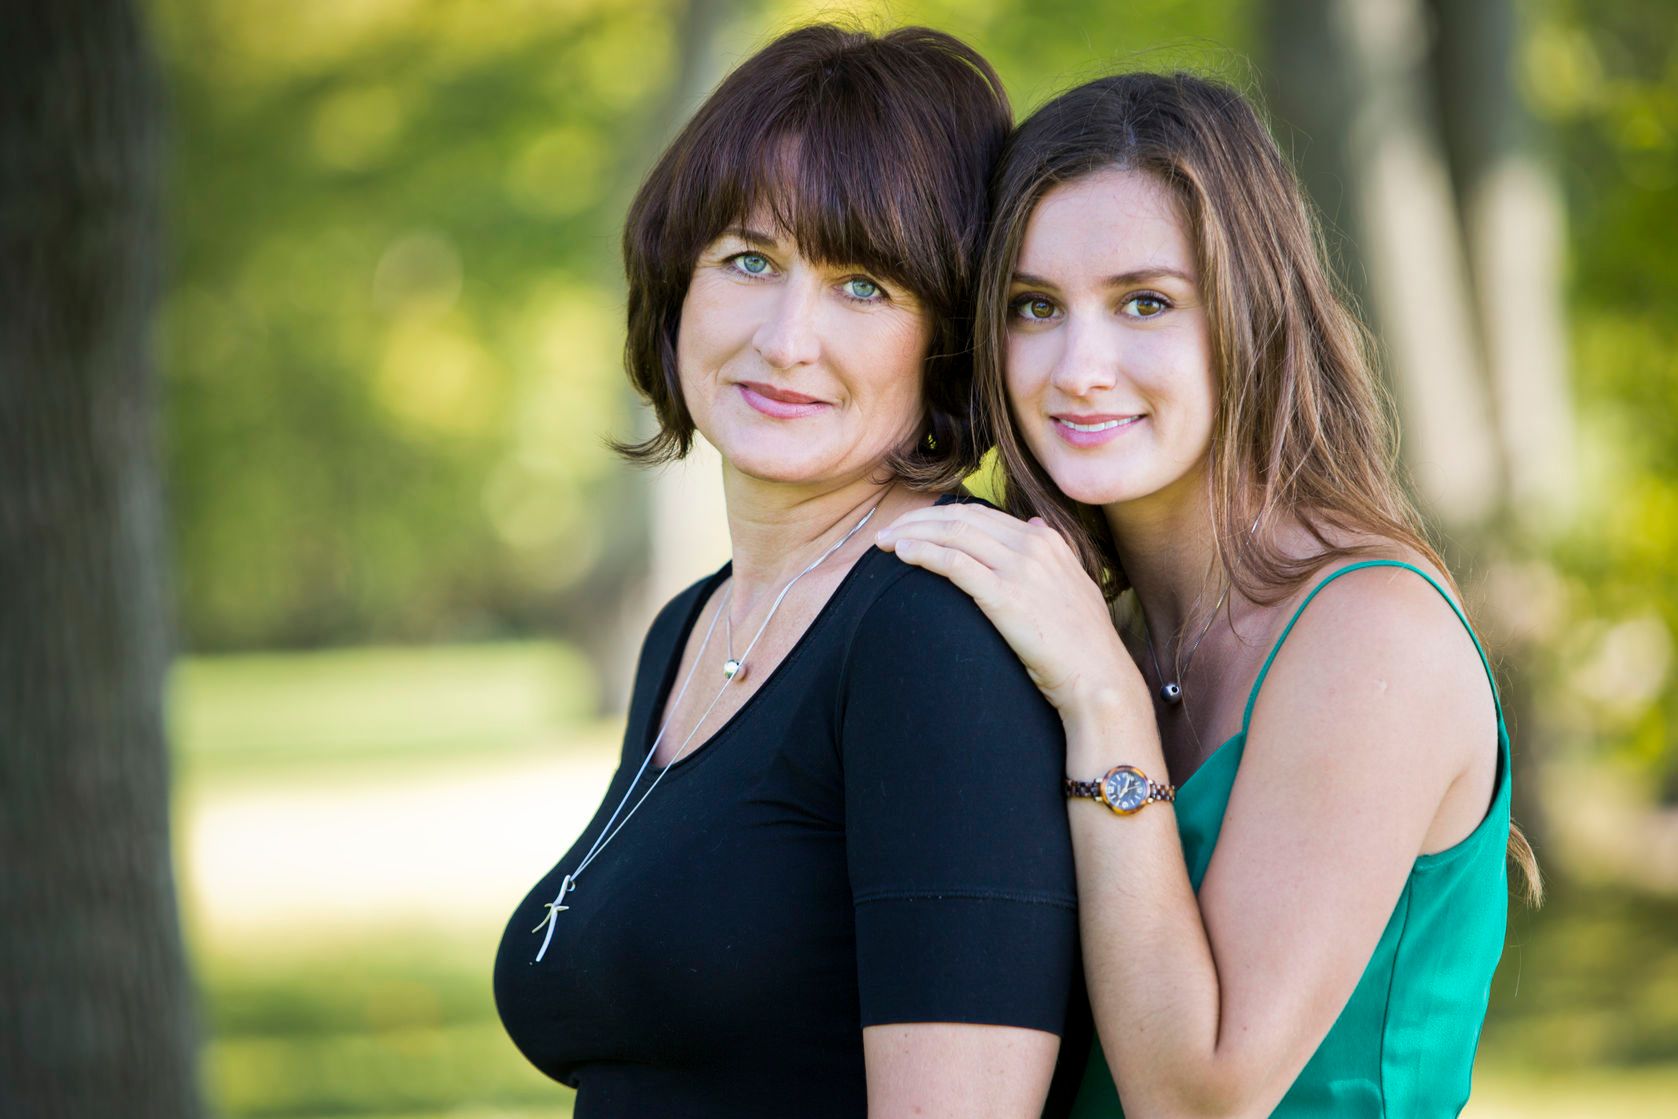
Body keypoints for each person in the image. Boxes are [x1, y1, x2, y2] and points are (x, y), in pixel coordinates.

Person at [876, 71, 1540, 1117]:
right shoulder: (1100, 626)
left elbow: (1198, 1099)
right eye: (1032, 307)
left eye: (1146, 303)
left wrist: (1105, 705)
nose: (1079, 367)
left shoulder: (1372, 635)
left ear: (1252, 315)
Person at [493, 25, 1088, 1118]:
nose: (785, 337)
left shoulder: (932, 638)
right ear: (677, 285)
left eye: (863, 286)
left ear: (948, 336)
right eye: (750, 260)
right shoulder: (696, 625)